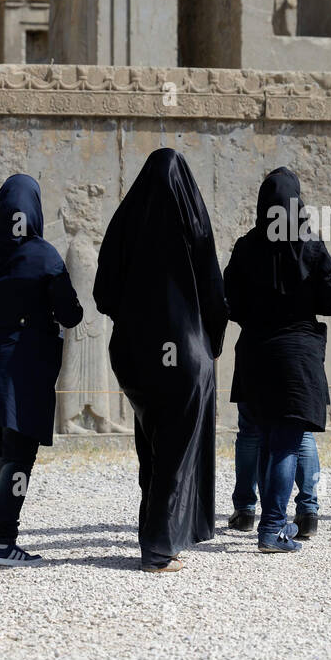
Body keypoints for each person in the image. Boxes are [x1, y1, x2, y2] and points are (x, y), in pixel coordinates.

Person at [94, 149, 228, 573]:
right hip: (185, 351)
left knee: (151, 444)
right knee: (175, 449)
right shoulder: (193, 224)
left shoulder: (126, 222)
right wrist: (213, 345)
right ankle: (159, 546)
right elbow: (213, 293)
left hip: (135, 353)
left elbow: (103, 294)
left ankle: (153, 533)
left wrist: (134, 317)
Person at [0, 174, 82, 567]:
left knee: (3, 447)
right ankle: (1, 540)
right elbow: (72, 314)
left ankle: (0, 535)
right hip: (25, 364)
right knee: (20, 452)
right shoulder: (44, 254)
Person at [224, 168, 331, 551]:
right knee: (287, 443)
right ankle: (274, 528)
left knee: (261, 437)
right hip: (298, 355)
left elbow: (230, 303)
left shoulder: (246, 246)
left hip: (257, 352)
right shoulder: (311, 245)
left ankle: (259, 516)